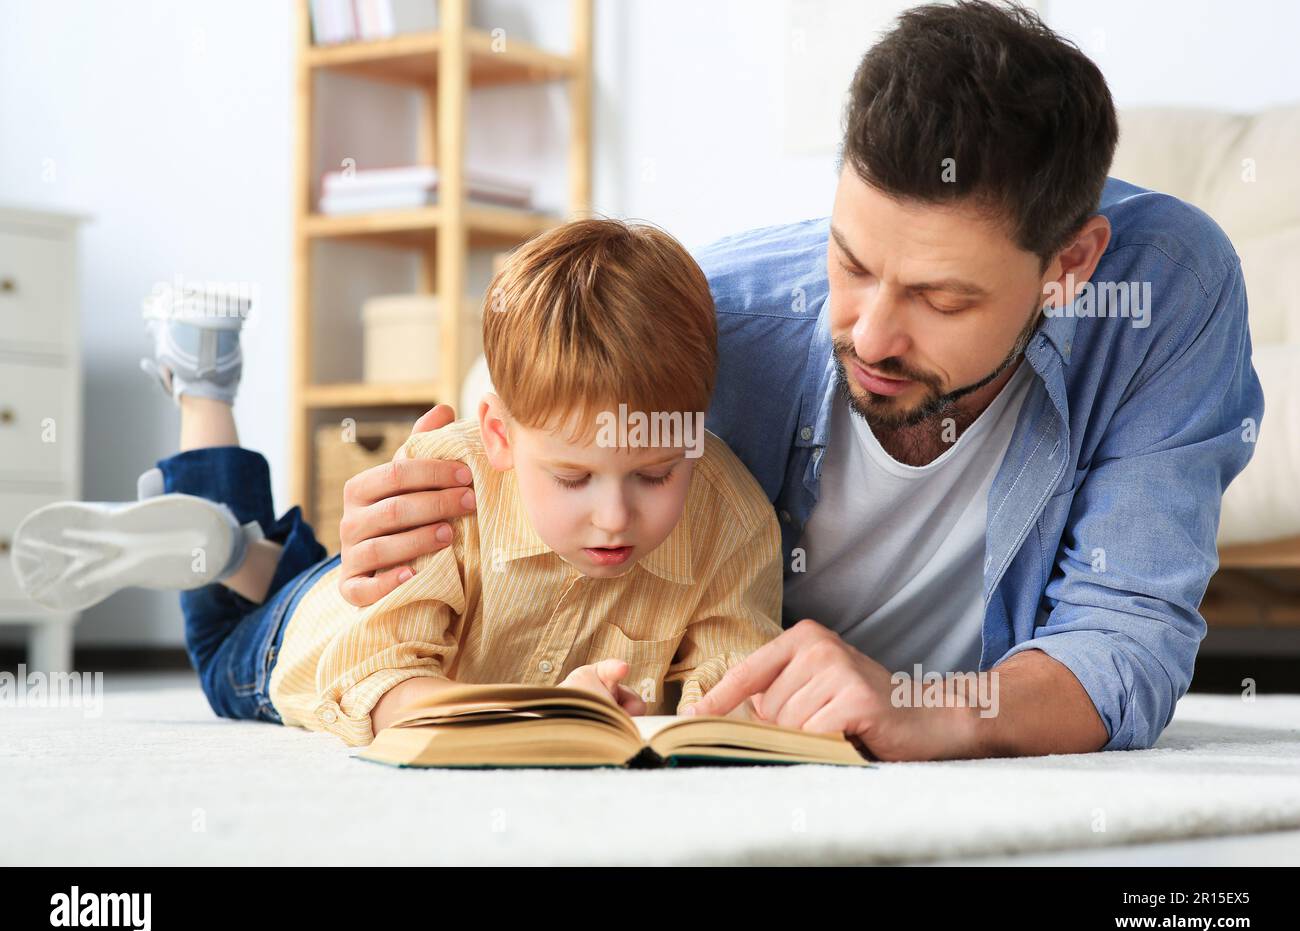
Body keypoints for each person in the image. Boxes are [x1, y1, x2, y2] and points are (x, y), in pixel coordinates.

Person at [331, 1, 1264, 760]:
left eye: (941, 299)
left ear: (1070, 265)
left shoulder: (1164, 293)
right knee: (276, 625)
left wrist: (930, 704)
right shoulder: (731, 313)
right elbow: (539, 427)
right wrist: (420, 503)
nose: (868, 334)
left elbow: (1127, 640)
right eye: (851, 262)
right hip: (464, 614)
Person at [12, 219, 783, 748]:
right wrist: (544, 714)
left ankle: (233, 524)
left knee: (292, 567)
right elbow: (388, 694)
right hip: (307, 639)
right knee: (222, 647)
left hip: (350, 584)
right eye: (573, 478)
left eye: (654, 472)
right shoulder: (444, 483)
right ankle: (205, 402)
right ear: (498, 437)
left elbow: (731, 704)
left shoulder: (733, 517)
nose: (614, 516)